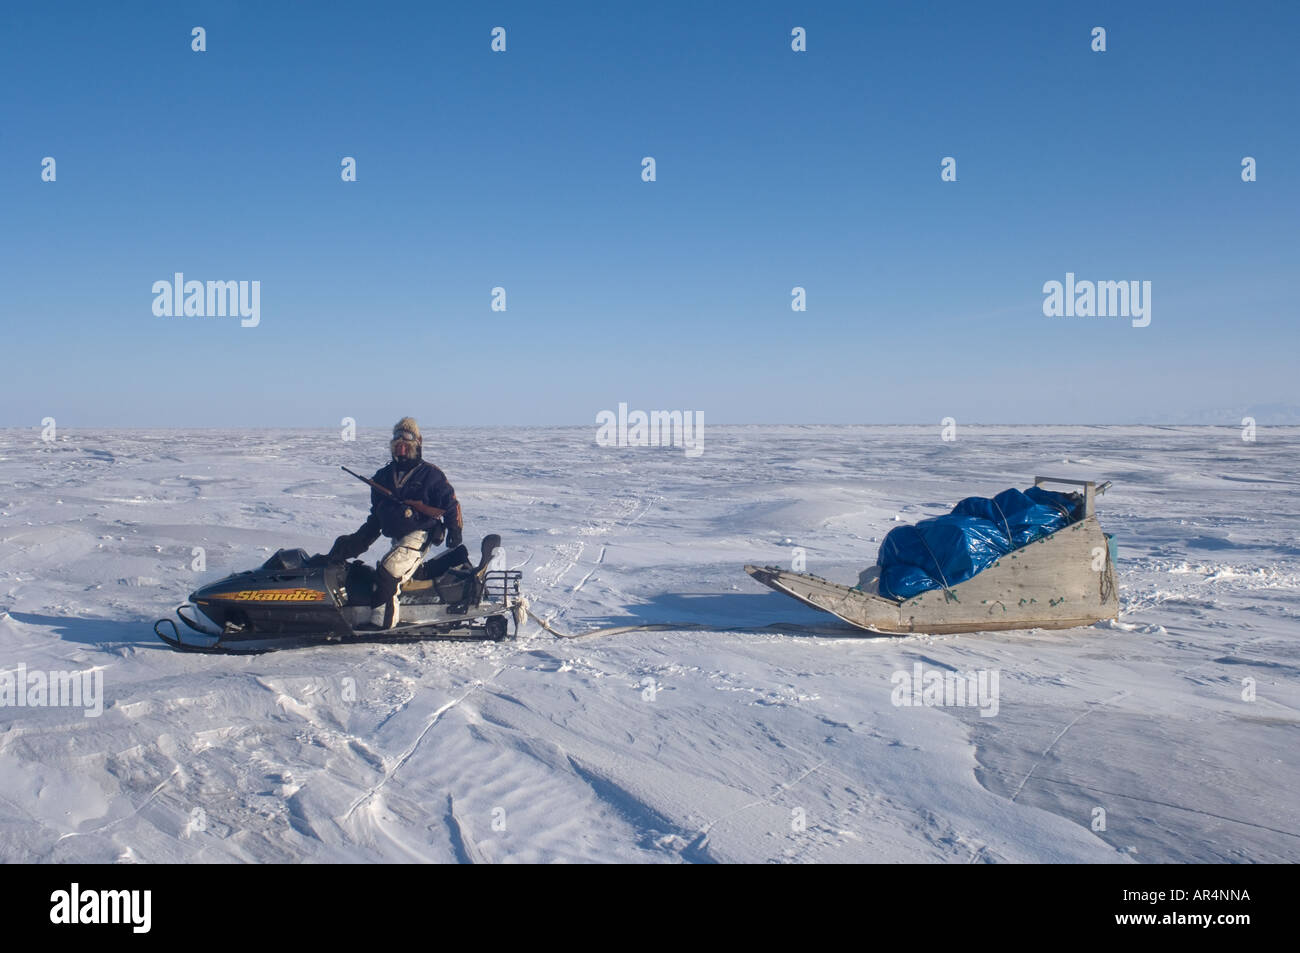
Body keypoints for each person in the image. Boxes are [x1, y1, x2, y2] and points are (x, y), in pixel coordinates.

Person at [329, 417, 463, 629]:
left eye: (406, 440)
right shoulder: (382, 477)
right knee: (401, 571)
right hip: (398, 538)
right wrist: (355, 544)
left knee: (388, 572)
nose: (401, 445)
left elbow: (451, 504)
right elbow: (376, 520)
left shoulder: (431, 474)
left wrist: (455, 530)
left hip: (421, 534)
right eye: (396, 441)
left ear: (418, 442)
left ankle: (384, 622)